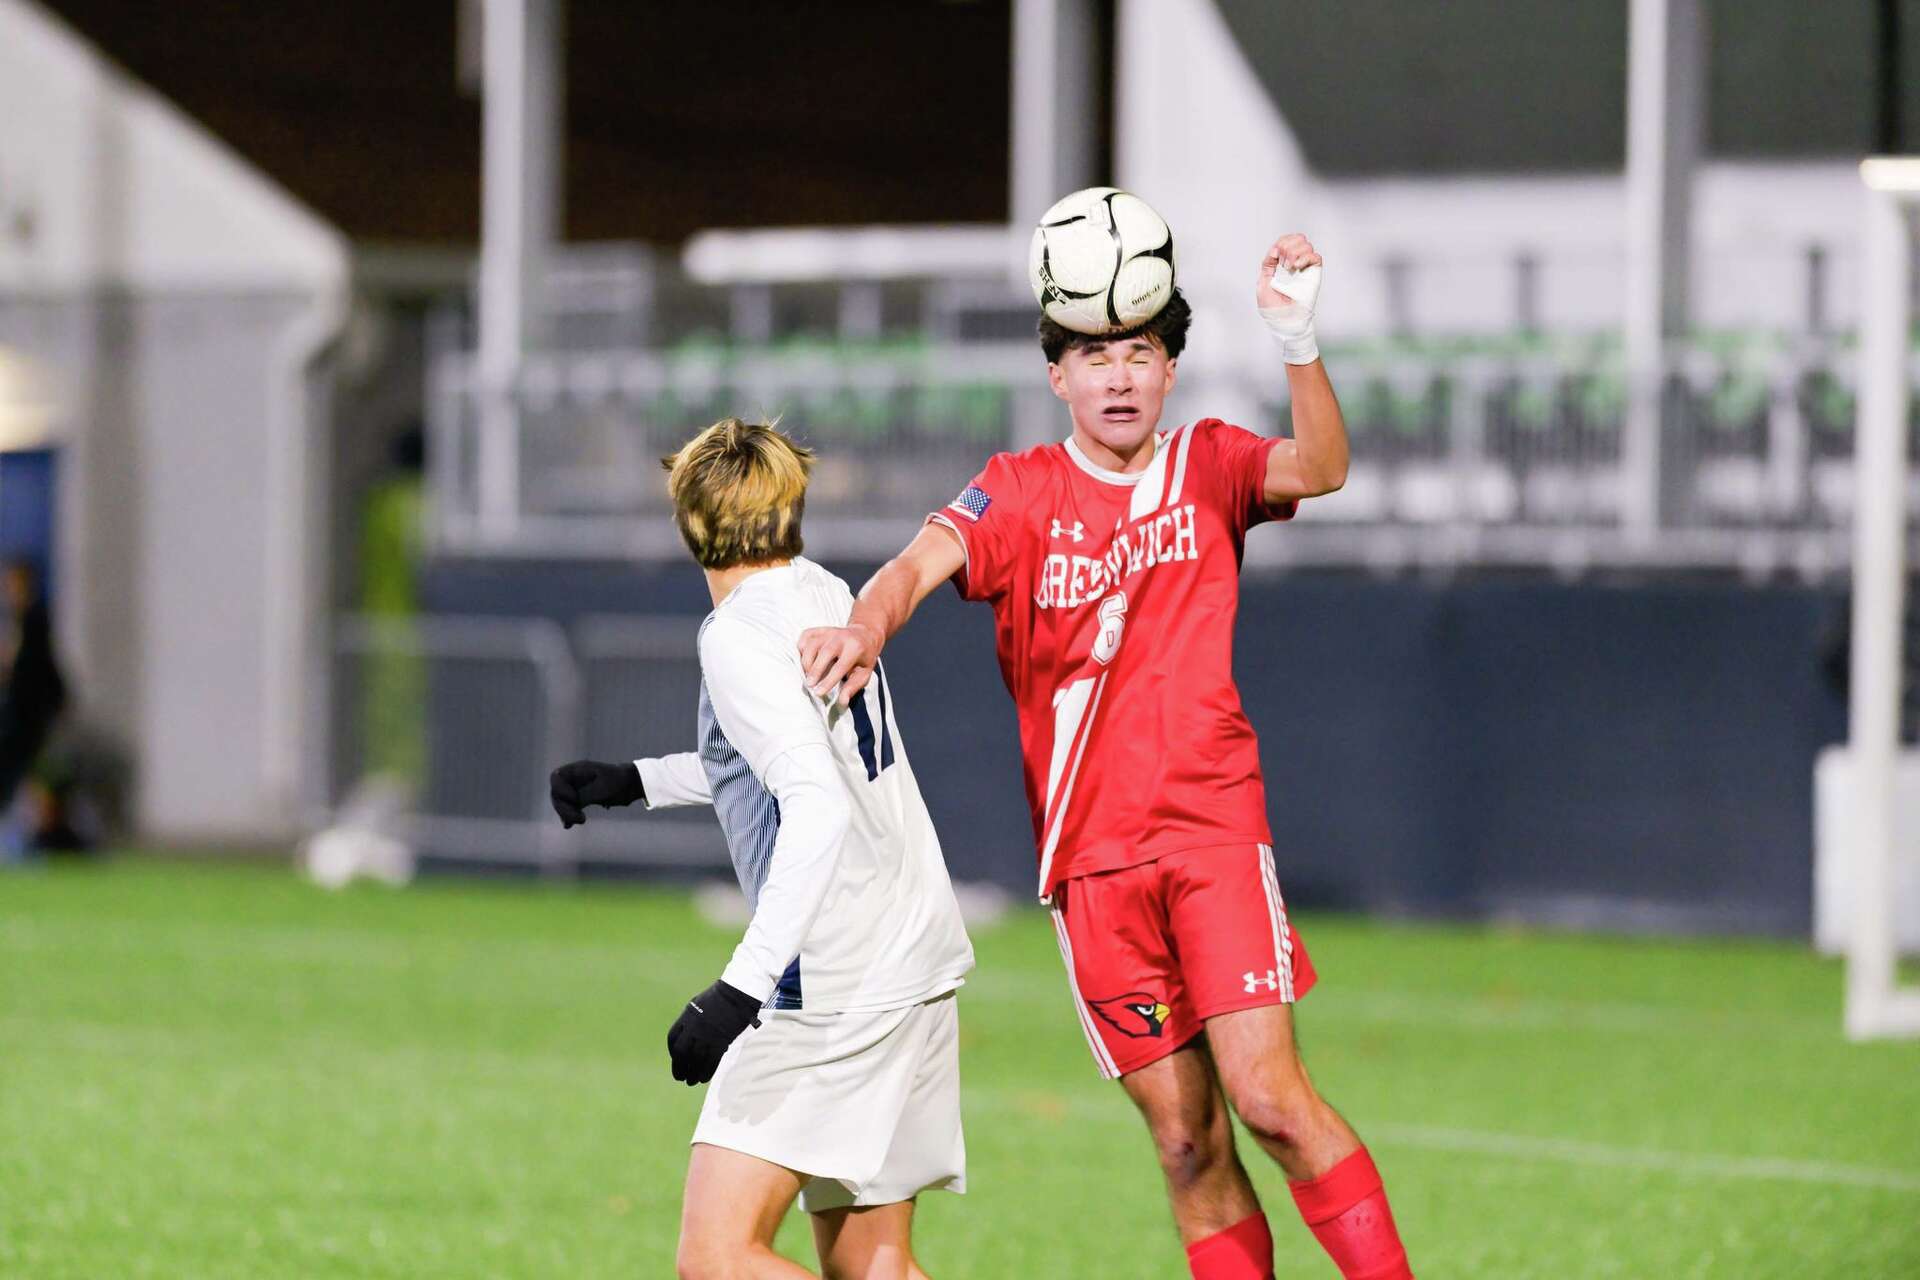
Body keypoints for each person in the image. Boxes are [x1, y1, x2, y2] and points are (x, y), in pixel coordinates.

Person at [798, 237, 1416, 1280]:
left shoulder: (1210, 463)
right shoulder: (1019, 489)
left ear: (1169, 367)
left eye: (1137, 352)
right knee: (1185, 1140)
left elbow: (1322, 466)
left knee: (1268, 1098)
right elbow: (916, 564)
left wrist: (1294, 334)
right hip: (1091, 866)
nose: (1117, 374)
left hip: (1212, 832)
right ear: (1057, 375)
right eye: (1093, 355)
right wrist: (864, 625)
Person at [548, 419, 974, 1280]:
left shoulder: (737, 632)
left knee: (714, 1259)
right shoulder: (819, 588)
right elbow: (792, 762)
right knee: (872, 1266)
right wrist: (638, 780)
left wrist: (738, 989)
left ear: (690, 522)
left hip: (837, 985)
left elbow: (813, 801)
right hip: (912, 957)